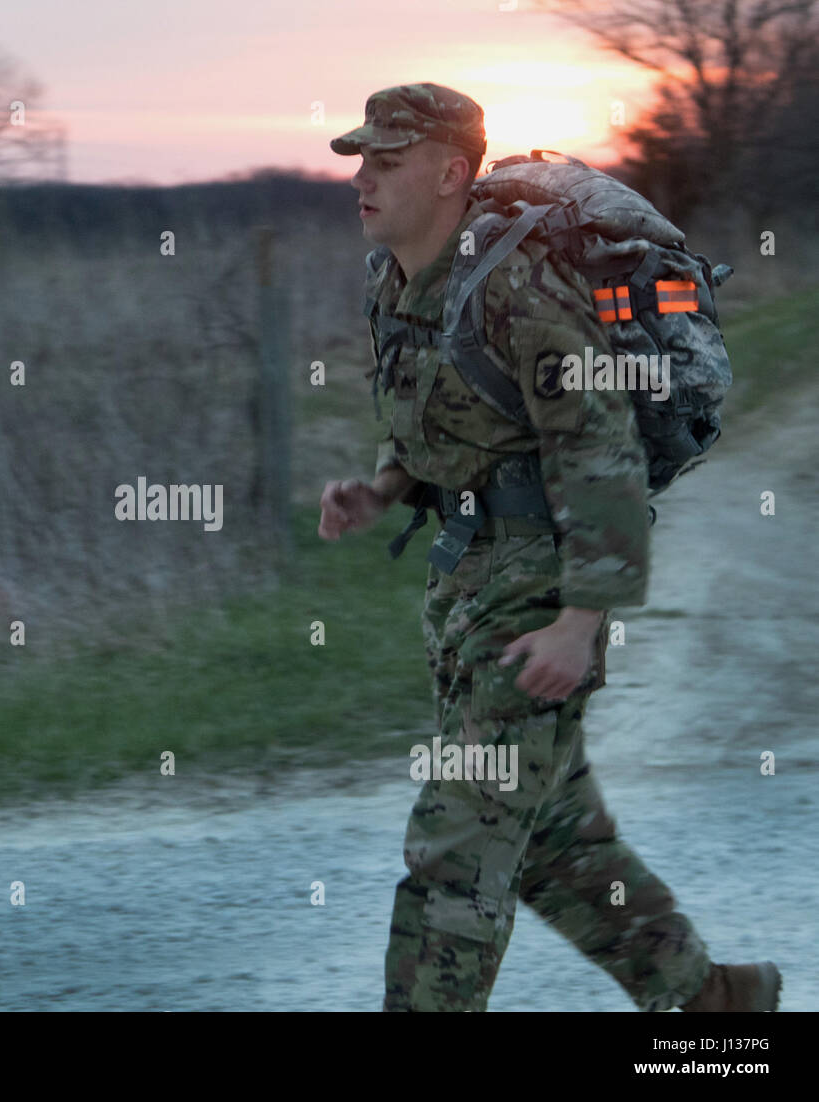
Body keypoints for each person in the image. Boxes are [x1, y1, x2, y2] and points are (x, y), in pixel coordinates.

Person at [318, 83, 781, 1012]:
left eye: (386, 161)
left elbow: (598, 445)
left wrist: (581, 622)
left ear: (451, 173)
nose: (362, 179)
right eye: (360, 159)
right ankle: (714, 1012)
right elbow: (454, 417)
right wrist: (384, 487)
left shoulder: (521, 290)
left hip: (537, 584)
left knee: (458, 851)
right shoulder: (398, 278)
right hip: (466, 581)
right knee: (555, 843)